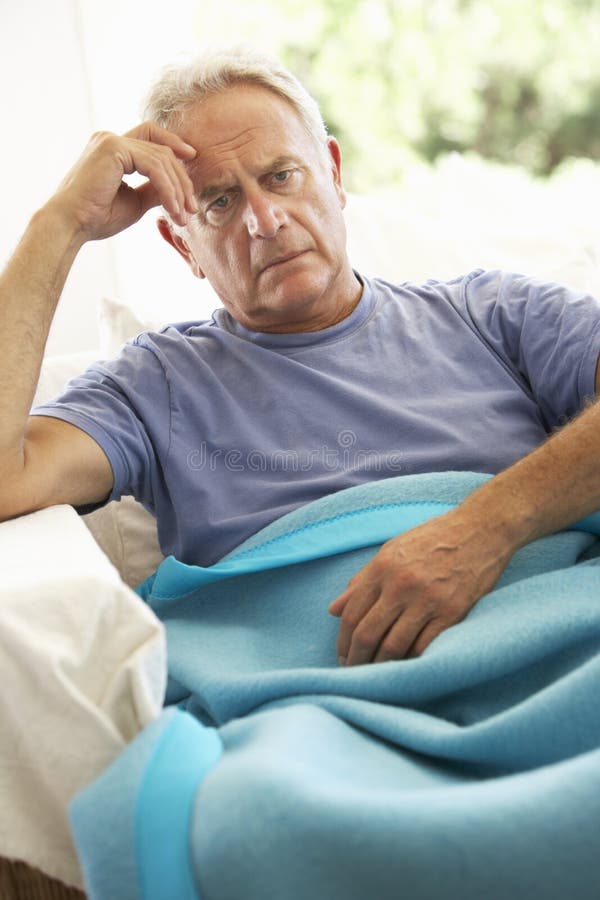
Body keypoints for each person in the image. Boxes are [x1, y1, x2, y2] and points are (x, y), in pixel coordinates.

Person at [2, 45, 600, 670]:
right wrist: (62, 222)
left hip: (557, 642)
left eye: (281, 175)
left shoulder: (497, 314)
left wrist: (484, 528)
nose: (265, 219)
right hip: (304, 701)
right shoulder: (154, 385)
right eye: (220, 202)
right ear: (185, 248)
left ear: (334, 174)